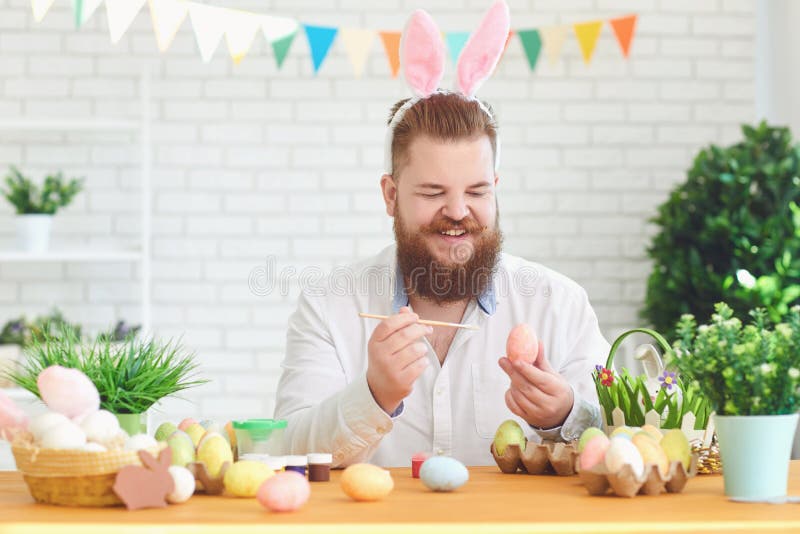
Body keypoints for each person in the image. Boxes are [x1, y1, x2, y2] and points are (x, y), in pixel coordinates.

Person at [273, 3, 609, 467]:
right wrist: (374, 395)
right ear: (391, 195)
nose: (457, 212)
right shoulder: (330, 306)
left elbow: (626, 440)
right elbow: (289, 449)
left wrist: (567, 415)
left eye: (476, 191)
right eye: (433, 192)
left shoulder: (560, 304)